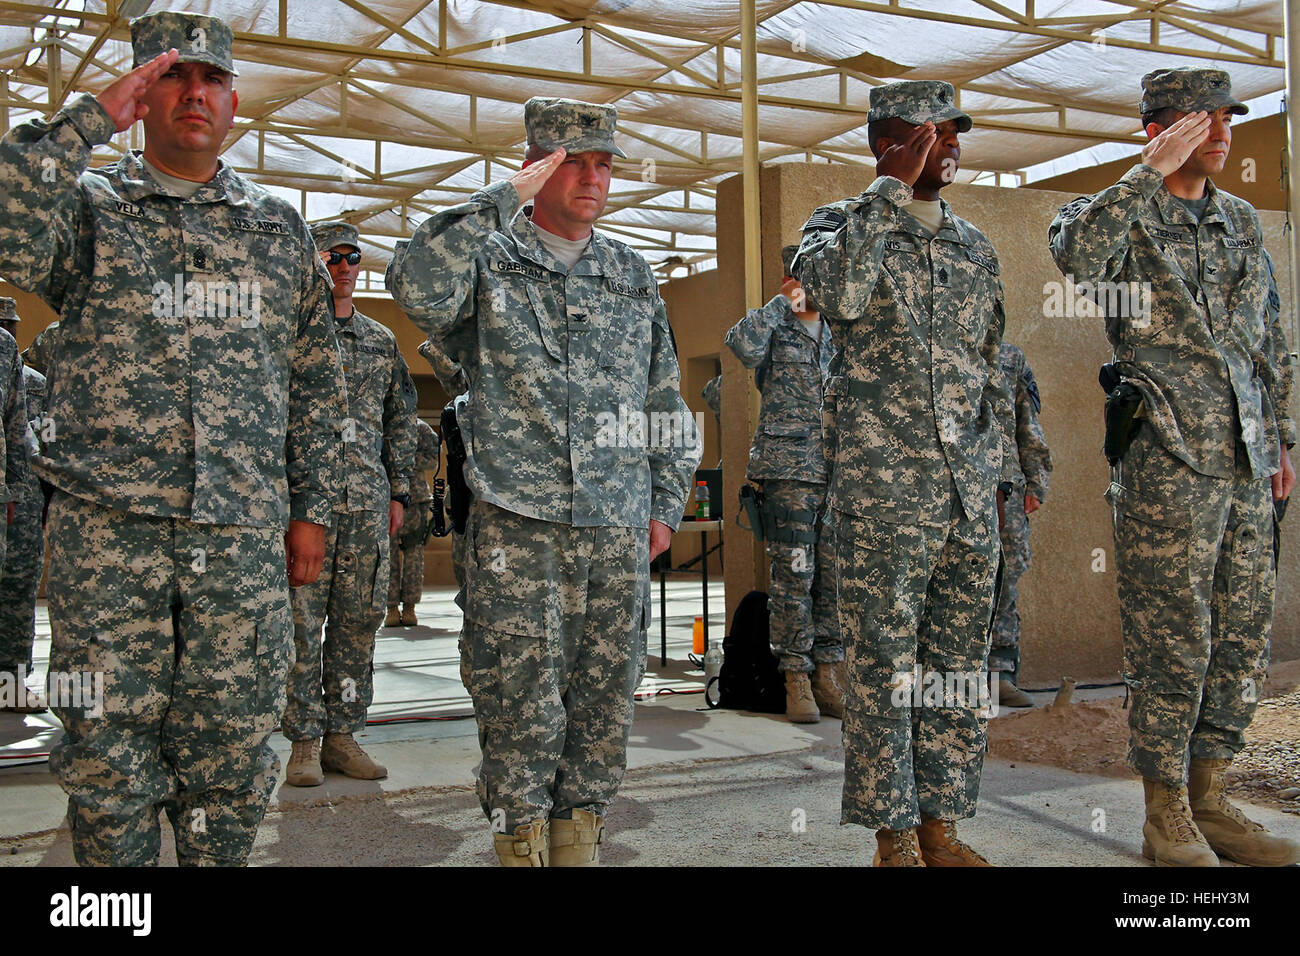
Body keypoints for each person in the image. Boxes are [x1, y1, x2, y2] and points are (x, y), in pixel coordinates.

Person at [0, 11, 346, 865]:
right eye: (172, 76)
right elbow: (7, 228)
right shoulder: (86, 210)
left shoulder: (277, 229)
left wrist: (315, 510)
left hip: (240, 534)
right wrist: (85, 121)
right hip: (107, 531)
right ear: (143, 93)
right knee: (105, 753)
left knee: (232, 749)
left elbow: (313, 377)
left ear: (233, 100)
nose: (195, 94)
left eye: (212, 79)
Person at [388, 96, 700, 866]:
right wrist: (503, 199)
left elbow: (663, 399)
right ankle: (521, 840)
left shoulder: (630, 273)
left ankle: (579, 840)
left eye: (604, 164)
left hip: (614, 521)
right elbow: (413, 284)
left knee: (603, 694)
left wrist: (662, 505)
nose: (594, 178)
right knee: (517, 689)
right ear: (538, 167)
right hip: (514, 521)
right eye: (574, 162)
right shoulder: (490, 260)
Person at [1049, 67, 1297, 867]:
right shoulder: (1115, 217)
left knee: (1240, 635)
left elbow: (1270, 337)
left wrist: (1282, 437)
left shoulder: (1242, 222)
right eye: (1200, 120)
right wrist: (1148, 172)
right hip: (1168, 460)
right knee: (1173, 640)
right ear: (1154, 129)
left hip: (1245, 458)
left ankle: (1213, 796)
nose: (1220, 132)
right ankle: (1164, 812)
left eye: (1227, 118)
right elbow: (1077, 257)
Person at [794, 80, 1015, 867]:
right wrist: (887, 190)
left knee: (955, 670)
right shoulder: (836, 230)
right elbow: (837, 292)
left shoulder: (975, 246)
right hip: (885, 496)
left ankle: (942, 825)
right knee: (888, 668)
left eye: (953, 133)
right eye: (924, 135)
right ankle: (894, 838)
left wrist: (999, 477)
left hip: (964, 495)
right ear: (884, 145)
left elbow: (991, 368)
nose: (945, 146)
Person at [281, 222, 416, 786]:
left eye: (351, 257)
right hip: (304, 507)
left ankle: (343, 735)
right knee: (299, 626)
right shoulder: (288, 335)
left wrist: (400, 489)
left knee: (358, 623)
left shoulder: (381, 341)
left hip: (365, 503)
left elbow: (401, 418)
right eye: (330, 256)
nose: (341, 266)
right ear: (313, 263)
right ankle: (304, 742)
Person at [725, 246, 844, 723]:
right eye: (803, 277)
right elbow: (739, 345)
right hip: (789, 471)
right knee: (794, 576)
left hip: (837, 472)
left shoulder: (840, 334)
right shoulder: (774, 328)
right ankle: (796, 676)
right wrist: (781, 304)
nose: (812, 286)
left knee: (833, 577)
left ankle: (829, 673)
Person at [990, 341, 1053, 707]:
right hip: (950, 485)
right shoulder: (939, 343)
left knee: (1007, 574)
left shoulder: (1009, 357)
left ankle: (1000, 673)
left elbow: (1027, 421)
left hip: (1007, 486)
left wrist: (1037, 480)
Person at [0, 298, 46, 713]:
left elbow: (28, 439)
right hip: (19, 495)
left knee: (16, 592)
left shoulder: (29, 378)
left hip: (18, 497)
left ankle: (9, 683)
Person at [386, 417, 440, 627]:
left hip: (415, 499)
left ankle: (409, 607)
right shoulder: (383, 424)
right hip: (387, 498)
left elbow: (433, 458)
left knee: (413, 556)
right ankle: (390, 608)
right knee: (388, 556)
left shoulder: (421, 429)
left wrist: (405, 460)